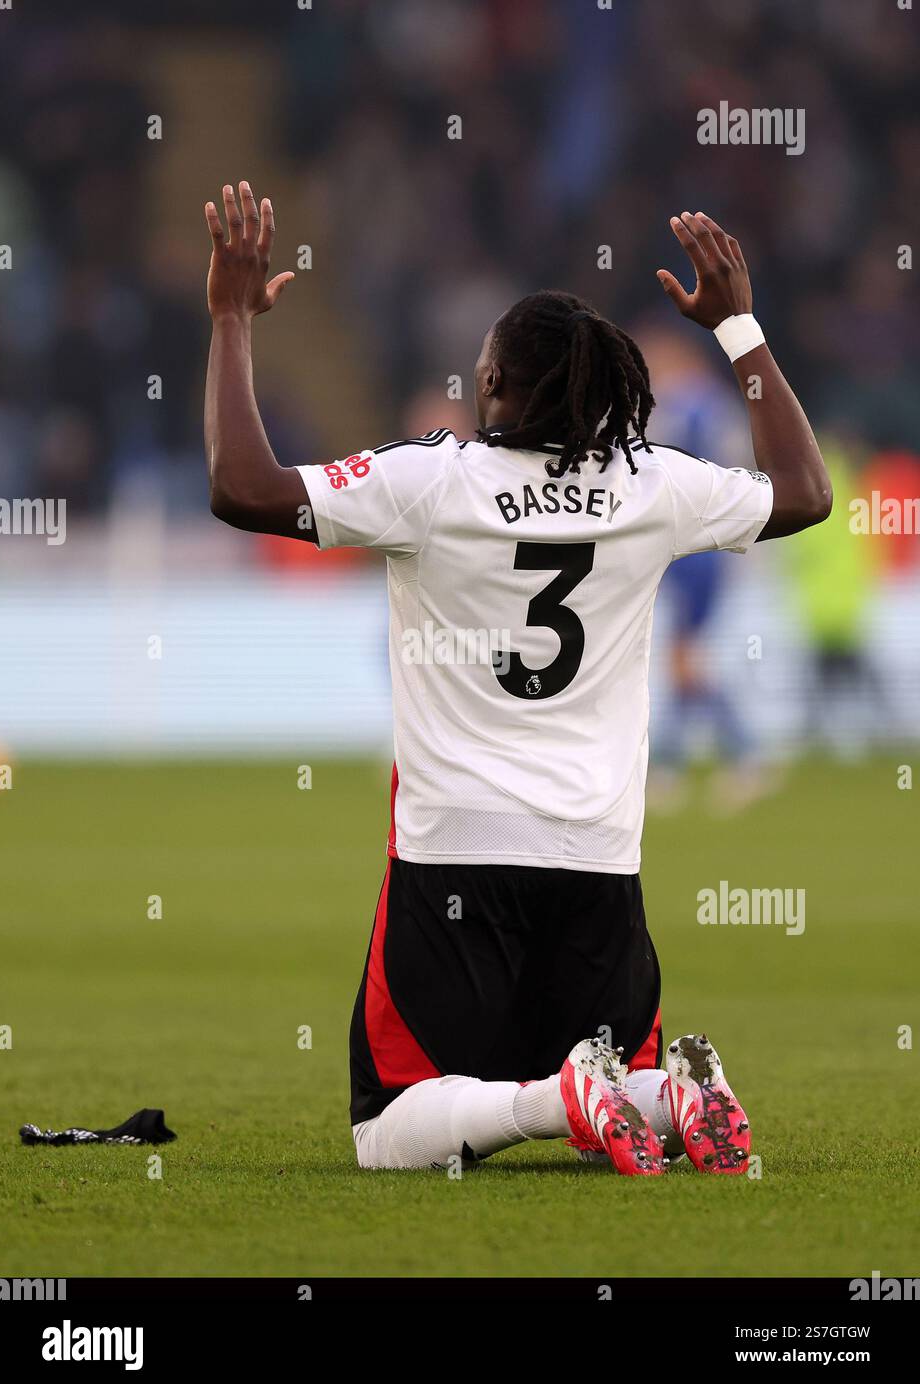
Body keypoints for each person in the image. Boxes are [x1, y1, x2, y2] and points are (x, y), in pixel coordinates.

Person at [203, 183, 832, 1175]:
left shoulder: (430, 482)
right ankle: (667, 1090)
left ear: (491, 381)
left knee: (388, 1128)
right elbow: (803, 492)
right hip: (598, 865)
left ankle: (556, 1099)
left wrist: (232, 317)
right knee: (591, 1086)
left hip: (454, 857)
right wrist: (740, 330)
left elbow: (242, 487)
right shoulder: (652, 485)